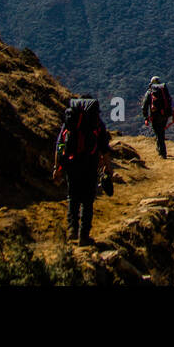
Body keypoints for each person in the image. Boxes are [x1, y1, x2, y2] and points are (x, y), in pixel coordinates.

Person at [53, 96, 112, 245]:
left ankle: (72, 229)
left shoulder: (69, 123)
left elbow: (59, 146)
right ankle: (84, 236)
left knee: (73, 196)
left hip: (71, 164)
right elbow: (104, 148)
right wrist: (107, 168)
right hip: (89, 165)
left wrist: (57, 168)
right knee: (87, 200)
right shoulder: (97, 124)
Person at [140, 76, 174, 158]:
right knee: (161, 132)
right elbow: (172, 103)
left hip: (155, 116)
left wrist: (146, 118)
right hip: (165, 115)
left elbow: (144, 106)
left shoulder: (150, 92)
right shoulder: (164, 91)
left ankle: (163, 153)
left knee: (158, 133)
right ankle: (159, 149)